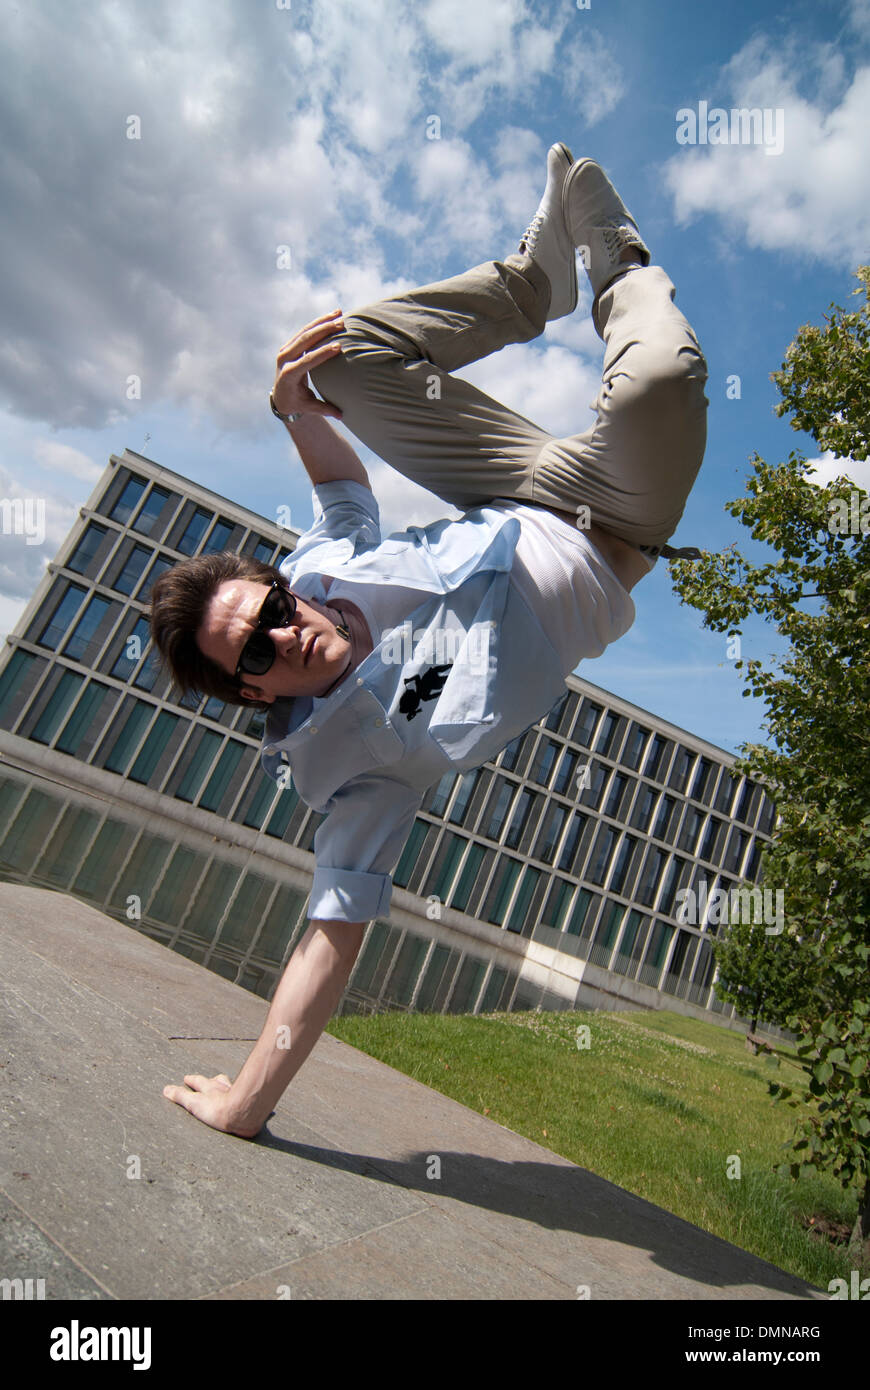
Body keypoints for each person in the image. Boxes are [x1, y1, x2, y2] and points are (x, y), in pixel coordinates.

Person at [154, 145, 708, 1137]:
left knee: (336, 361)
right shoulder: (356, 770)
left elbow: (340, 491)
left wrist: (289, 408)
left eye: (272, 604)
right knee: (660, 376)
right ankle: (616, 264)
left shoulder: (317, 573)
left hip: (509, 483)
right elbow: (329, 938)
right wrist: (246, 1101)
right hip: (616, 519)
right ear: (248, 693)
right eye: (255, 651)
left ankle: (530, 285)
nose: (289, 630)